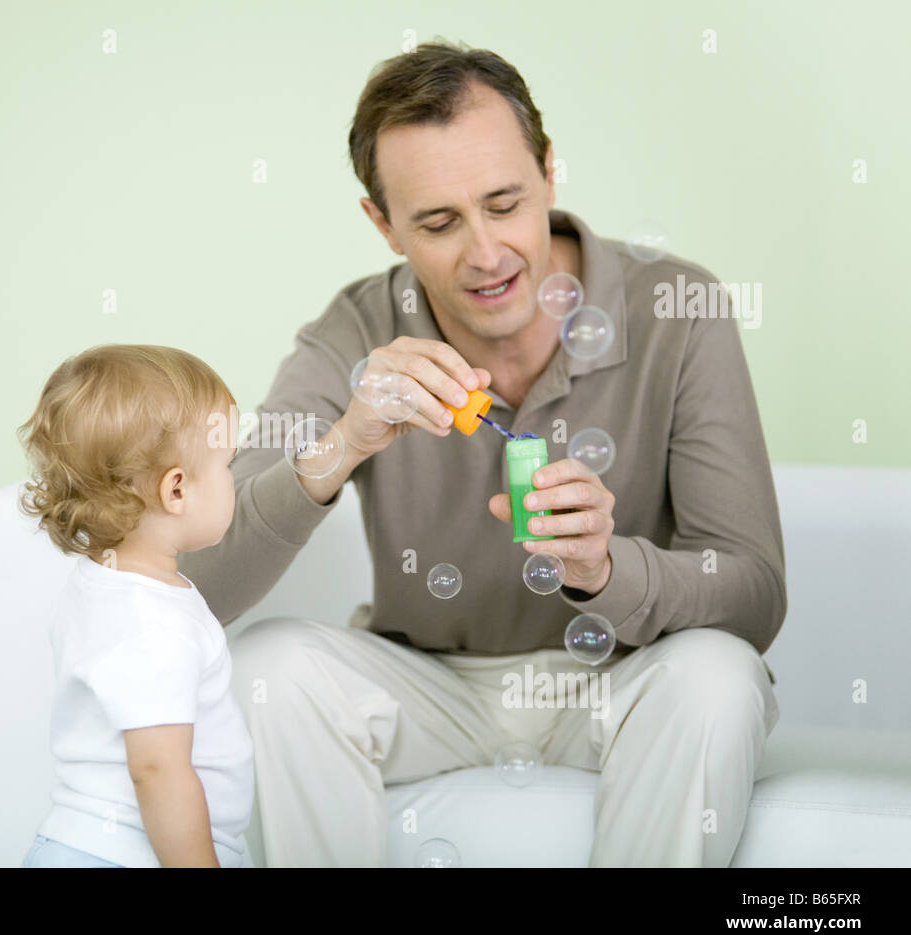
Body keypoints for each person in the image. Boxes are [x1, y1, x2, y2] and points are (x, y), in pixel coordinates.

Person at [177, 42, 784, 867]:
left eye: (505, 202)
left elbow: (752, 597)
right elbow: (198, 586)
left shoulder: (677, 309)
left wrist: (609, 570)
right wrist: (341, 444)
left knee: (718, 672)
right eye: (436, 222)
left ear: (548, 170)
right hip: (430, 686)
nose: (486, 253)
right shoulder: (353, 331)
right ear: (381, 222)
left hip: (624, 684)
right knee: (268, 668)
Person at [16, 344, 254, 867]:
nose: (234, 477)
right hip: (130, 855)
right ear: (176, 490)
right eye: (228, 463)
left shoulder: (101, 585)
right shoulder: (155, 624)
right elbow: (158, 770)